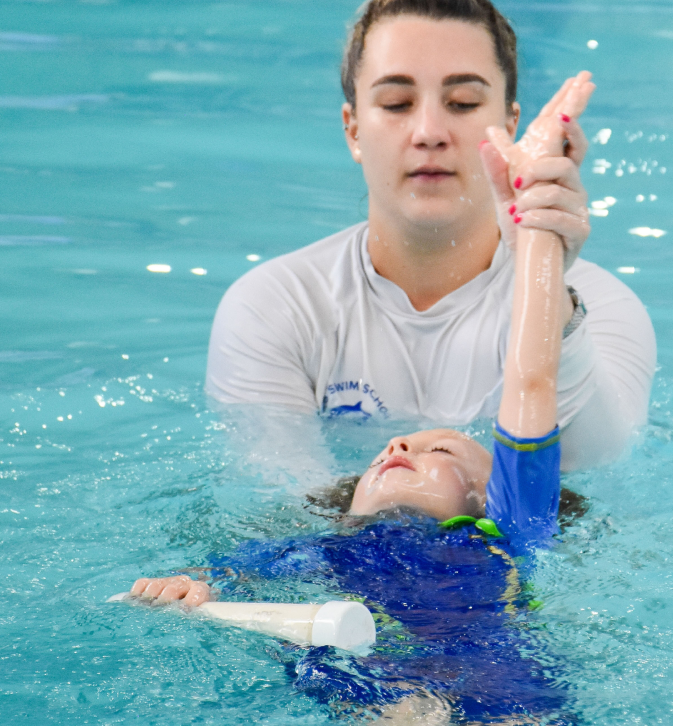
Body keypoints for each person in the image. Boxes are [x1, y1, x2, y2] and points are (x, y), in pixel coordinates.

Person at [129, 78, 591, 724]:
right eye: (398, 445)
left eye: (443, 450)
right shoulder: (319, 548)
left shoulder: (509, 529)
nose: (400, 444)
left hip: (503, 692)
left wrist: (535, 231)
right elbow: (227, 579)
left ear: (490, 491)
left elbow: (532, 378)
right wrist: (190, 588)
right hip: (368, 685)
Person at [206, 0, 656, 471]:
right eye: (396, 103)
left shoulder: (602, 310)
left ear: (510, 126)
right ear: (352, 130)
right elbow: (281, 512)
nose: (429, 132)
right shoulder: (278, 309)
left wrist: (541, 267)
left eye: (462, 103)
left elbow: (592, 482)